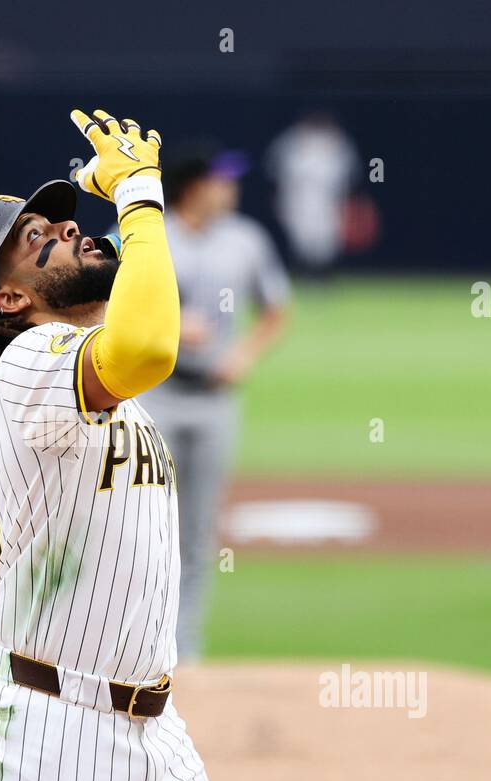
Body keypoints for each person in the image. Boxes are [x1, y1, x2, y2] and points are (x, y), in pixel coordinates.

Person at [0, 107, 230, 781]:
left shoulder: (96, 389)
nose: (69, 231)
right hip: (45, 735)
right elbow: (151, 343)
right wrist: (138, 196)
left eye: (64, 225)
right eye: (39, 241)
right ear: (9, 301)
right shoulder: (34, 359)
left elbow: (6, 564)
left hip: (154, 734)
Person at [137, 143, 290, 662]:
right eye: (222, 180)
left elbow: (276, 310)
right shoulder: (147, 237)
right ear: (194, 187)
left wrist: (243, 354)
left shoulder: (246, 240)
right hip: (155, 395)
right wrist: (173, 327)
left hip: (216, 401)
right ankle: (136, 648)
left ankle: (187, 654)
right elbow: (104, 302)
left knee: (199, 532)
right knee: (143, 526)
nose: (232, 189)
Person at [266, 112, 360, 274]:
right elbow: (276, 172)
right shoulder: (291, 142)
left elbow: (349, 175)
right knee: (300, 240)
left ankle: (324, 276)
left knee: (326, 241)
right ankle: (301, 273)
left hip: (327, 201)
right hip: (298, 200)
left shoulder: (338, 143)